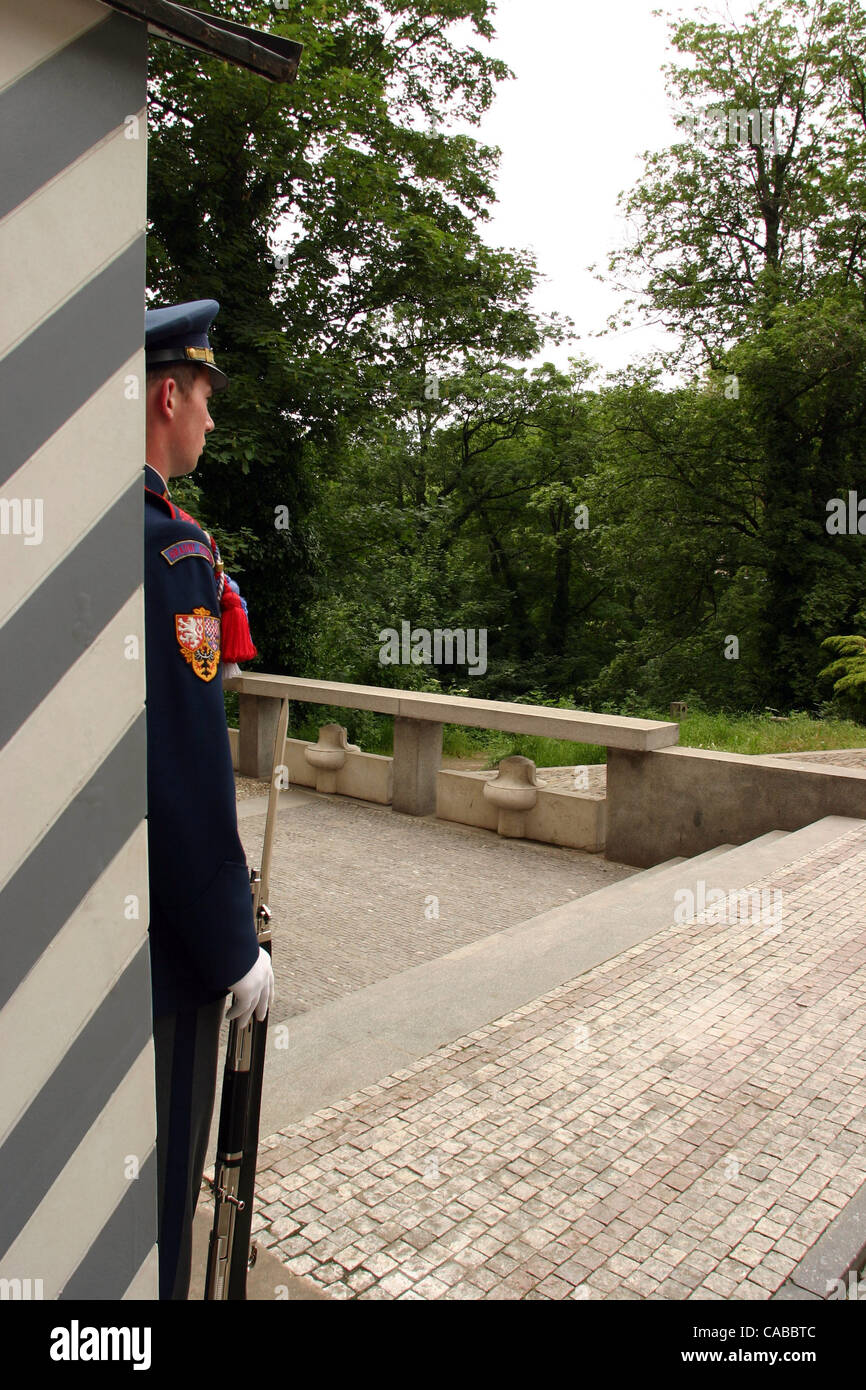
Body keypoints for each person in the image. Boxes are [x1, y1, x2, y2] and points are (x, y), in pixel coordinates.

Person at [143, 298, 274, 1300]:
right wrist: (234, 945)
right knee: (160, 1186)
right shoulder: (171, 555)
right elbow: (185, 776)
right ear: (165, 395)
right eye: (205, 398)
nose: (212, 422)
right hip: (160, 952)